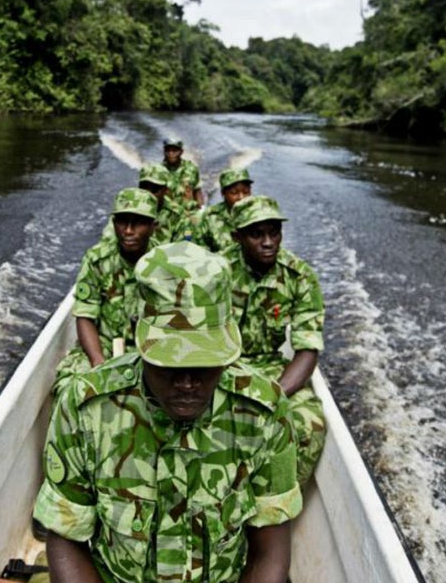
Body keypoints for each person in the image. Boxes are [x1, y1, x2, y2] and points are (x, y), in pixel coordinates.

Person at [34, 242, 302, 583]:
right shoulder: (87, 407)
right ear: (139, 340)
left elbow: (270, 551)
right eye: (170, 364)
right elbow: (66, 537)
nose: (188, 383)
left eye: (205, 364)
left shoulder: (263, 411)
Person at [222, 195, 327, 486]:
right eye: (257, 234)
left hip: (270, 368)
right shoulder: (217, 272)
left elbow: (307, 349)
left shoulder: (300, 276)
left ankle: (277, 503)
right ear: (237, 237)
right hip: (219, 364)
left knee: (311, 428)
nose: (268, 242)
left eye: (274, 232)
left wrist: (274, 395)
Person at [55, 187, 158, 395]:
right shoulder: (97, 260)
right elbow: (85, 315)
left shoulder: (164, 264)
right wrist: (98, 362)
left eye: (137, 223)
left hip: (150, 350)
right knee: (70, 387)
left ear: (153, 227)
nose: (128, 230)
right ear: (113, 223)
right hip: (104, 345)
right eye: (122, 222)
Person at [193, 167, 253, 253]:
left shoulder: (260, 215)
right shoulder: (209, 218)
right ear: (223, 194)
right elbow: (198, 249)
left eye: (246, 192)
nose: (241, 197)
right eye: (234, 193)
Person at [137, 162, 195, 243]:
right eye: (144, 188)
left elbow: (185, 246)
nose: (148, 194)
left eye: (155, 190)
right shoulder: (130, 210)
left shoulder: (179, 216)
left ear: (165, 190)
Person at [161, 136, 204, 209]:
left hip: (188, 212)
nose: (171, 153)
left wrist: (201, 209)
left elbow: (197, 191)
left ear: (181, 152)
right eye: (168, 150)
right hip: (166, 211)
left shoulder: (191, 168)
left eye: (174, 150)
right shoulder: (158, 170)